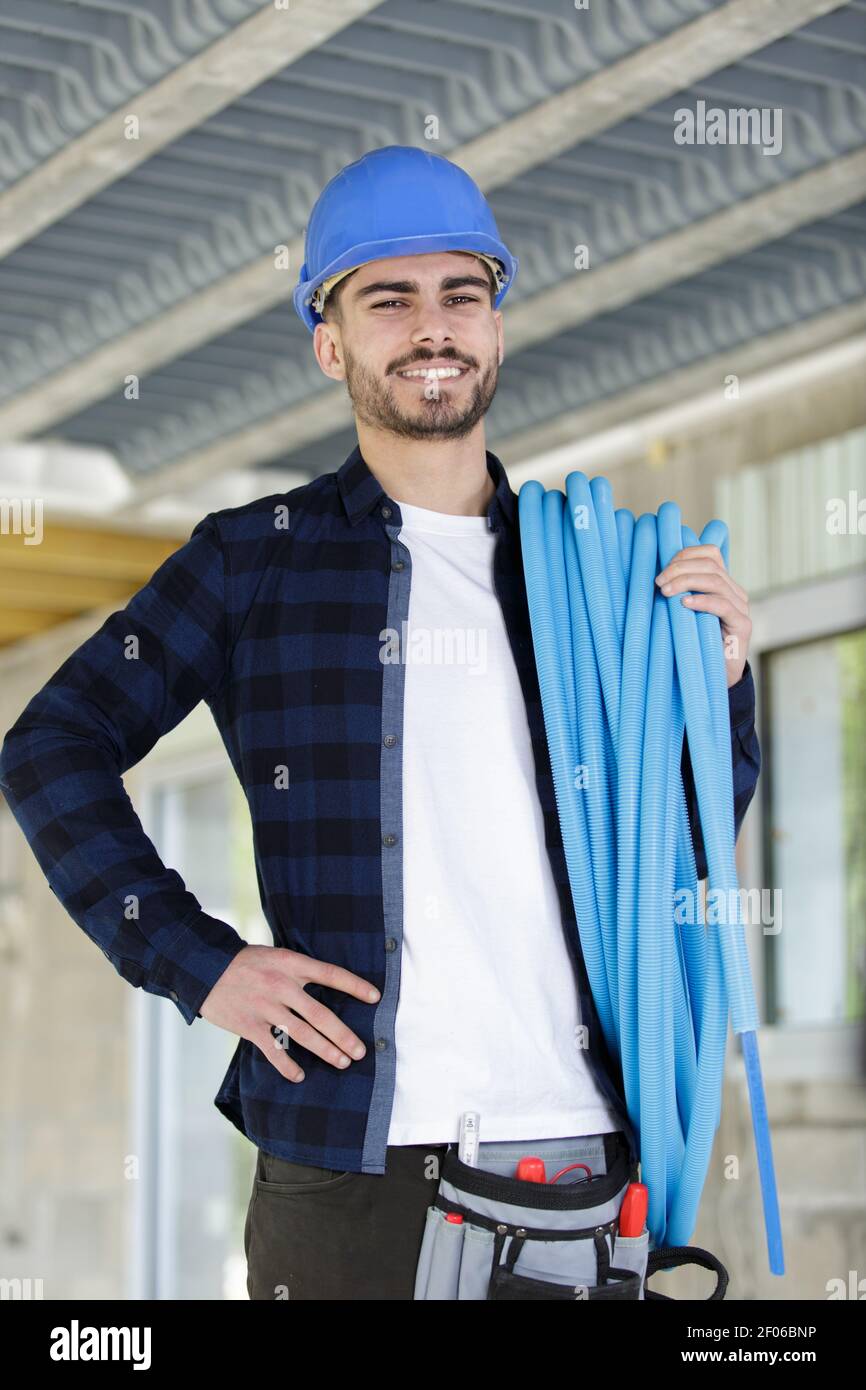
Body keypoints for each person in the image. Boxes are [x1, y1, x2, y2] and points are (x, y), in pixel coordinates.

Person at [0, 145, 760, 1301]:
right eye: (387, 299)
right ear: (330, 341)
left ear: (496, 328)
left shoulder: (596, 578)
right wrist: (202, 967)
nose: (432, 327)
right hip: (353, 1168)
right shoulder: (253, 559)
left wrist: (725, 690)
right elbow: (51, 744)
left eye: (461, 294)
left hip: (589, 1153)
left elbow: (682, 850)